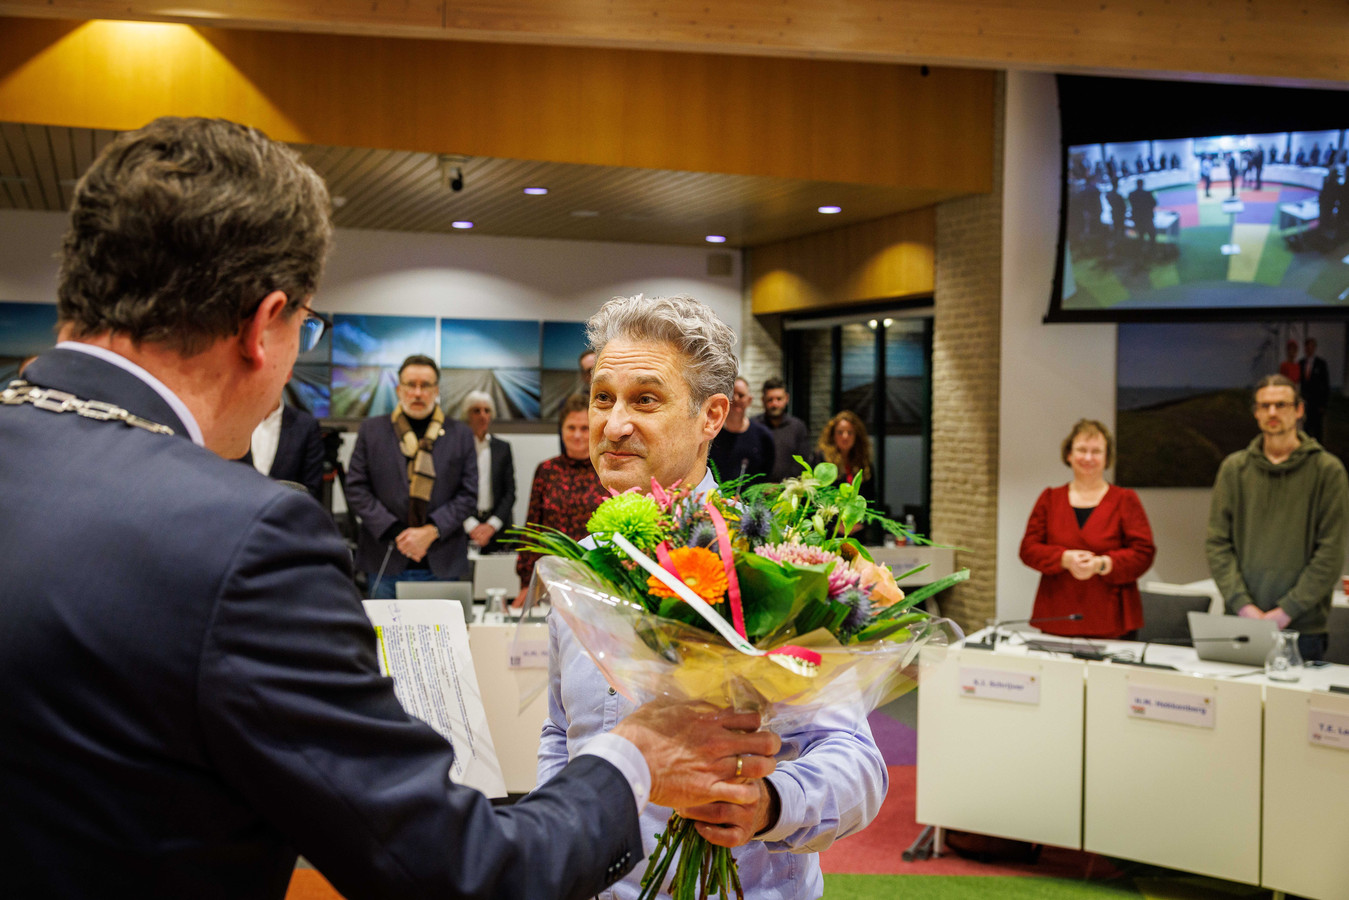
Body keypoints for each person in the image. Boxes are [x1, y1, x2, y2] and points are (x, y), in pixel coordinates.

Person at [0, 116, 780, 900]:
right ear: (262, 324)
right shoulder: (241, 538)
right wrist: (635, 757)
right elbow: (451, 871)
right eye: (308, 323)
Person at [540, 294, 887, 900]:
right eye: (603, 397)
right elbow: (560, 732)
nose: (613, 425)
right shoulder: (581, 562)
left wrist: (770, 805)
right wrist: (554, 848)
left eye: (645, 399)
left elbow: (860, 765)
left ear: (712, 415)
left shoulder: (776, 563)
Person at [1206, 375, 1348, 662]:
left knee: (1294, 708)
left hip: (1303, 630)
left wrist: (1286, 612)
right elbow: (1217, 544)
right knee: (1235, 706)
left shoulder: (1327, 470)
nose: (1272, 413)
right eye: (1265, 405)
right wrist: (1244, 606)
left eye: (1281, 405)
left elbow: (1330, 552)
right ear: (1256, 412)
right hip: (1241, 622)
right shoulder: (1234, 469)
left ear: (1298, 410)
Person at [346, 354, 479, 597]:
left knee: (441, 635)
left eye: (425, 385)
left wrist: (431, 531)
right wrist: (399, 534)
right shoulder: (372, 430)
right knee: (384, 635)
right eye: (411, 385)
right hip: (385, 559)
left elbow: (468, 496)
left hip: (442, 561)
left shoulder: (460, 434)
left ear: (436, 390)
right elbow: (356, 489)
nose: (418, 393)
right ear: (399, 389)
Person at [1019, 419, 1156, 639]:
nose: (1088, 458)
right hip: (1058, 617)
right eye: (1082, 450)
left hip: (1112, 620)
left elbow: (1144, 553)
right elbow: (1028, 549)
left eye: (1096, 451)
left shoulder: (1125, 500)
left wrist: (1102, 564)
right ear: (1069, 455)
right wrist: (1064, 559)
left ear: (1107, 458)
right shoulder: (1049, 499)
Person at [514, 392, 609, 602]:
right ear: (561, 430)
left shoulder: (608, 471)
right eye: (571, 428)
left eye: (585, 428)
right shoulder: (546, 470)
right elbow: (532, 528)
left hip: (598, 579)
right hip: (552, 580)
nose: (577, 435)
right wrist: (525, 583)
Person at [242, 388, 325, 500]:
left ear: (287, 375)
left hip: (289, 513)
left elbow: (312, 488)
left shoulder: (306, 426)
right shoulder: (230, 422)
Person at [461, 389, 515, 554]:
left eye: (487, 410)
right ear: (467, 415)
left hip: (497, 527)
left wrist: (492, 525)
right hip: (463, 527)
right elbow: (450, 491)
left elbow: (510, 492)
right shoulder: (457, 448)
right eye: (476, 410)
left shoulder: (502, 448)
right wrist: (472, 526)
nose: (482, 415)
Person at [707, 375, 775, 485]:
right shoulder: (712, 434)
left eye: (741, 395)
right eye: (732, 395)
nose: (736, 399)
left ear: (749, 400)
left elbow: (766, 473)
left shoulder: (763, 435)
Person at [755, 375, 813, 482]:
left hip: (790, 492)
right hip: (757, 493)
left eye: (779, 399)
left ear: (786, 398)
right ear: (763, 400)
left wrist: (782, 486)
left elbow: (802, 462)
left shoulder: (798, 427)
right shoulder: (754, 426)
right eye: (770, 400)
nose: (775, 404)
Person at [814, 410, 876, 501]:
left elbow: (870, 498)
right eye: (840, 432)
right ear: (833, 435)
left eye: (850, 432)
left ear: (856, 436)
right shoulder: (821, 460)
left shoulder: (864, 463)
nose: (845, 436)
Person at [1300, 337, 1331, 441]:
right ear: (1304, 348)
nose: (1309, 349)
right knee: (1305, 429)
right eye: (1307, 346)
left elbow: (1325, 385)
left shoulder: (1321, 364)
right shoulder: (1301, 363)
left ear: (1314, 348)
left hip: (1317, 404)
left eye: (1311, 346)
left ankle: (1317, 453)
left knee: (1318, 430)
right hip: (1304, 403)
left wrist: (1323, 404)